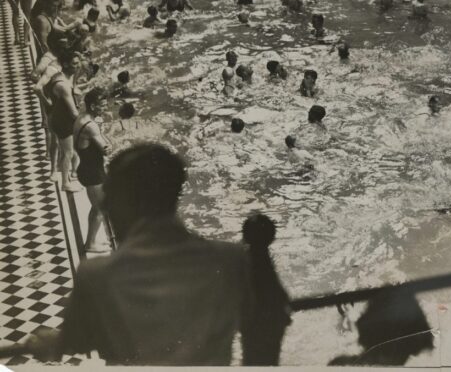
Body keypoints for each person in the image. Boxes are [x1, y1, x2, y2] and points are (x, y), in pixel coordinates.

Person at [26, 144, 287, 365]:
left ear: (125, 203)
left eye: (112, 197)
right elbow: (267, 329)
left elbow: (75, 339)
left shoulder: (96, 276)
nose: (105, 207)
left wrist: (50, 340)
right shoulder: (231, 260)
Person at [72, 88, 112, 253]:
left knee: (97, 208)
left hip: (87, 168)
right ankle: (90, 244)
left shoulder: (82, 117)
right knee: (100, 209)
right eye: (102, 105)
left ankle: (91, 240)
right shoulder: (91, 126)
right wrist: (109, 134)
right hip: (93, 173)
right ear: (94, 106)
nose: (105, 107)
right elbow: (106, 149)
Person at [43, 48, 82, 193]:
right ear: (65, 65)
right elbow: (72, 112)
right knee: (68, 153)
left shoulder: (61, 76)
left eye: (78, 63)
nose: (77, 66)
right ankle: (65, 183)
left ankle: (69, 176)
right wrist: (84, 122)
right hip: (63, 120)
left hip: (57, 116)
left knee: (69, 151)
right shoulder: (63, 85)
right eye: (74, 64)